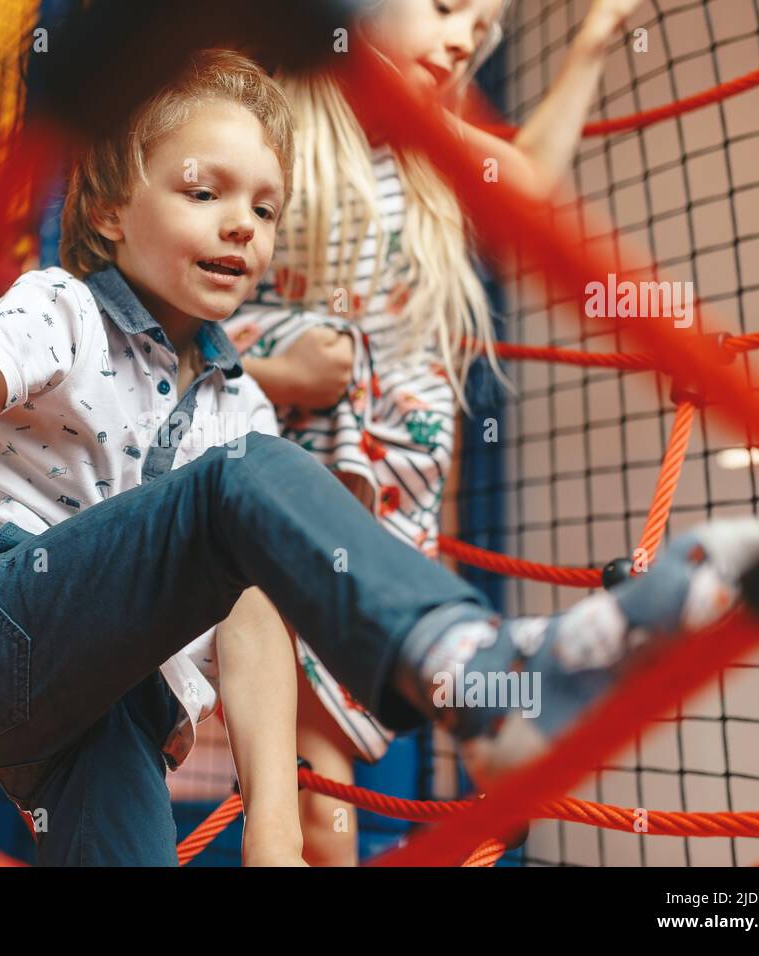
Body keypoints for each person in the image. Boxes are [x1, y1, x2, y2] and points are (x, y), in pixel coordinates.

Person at [0, 49, 759, 868]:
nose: (241, 223)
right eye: (204, 191)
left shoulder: (236, 404)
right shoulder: (55, 310)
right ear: (113, 204)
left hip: (98, 715)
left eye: (264, 207)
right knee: (240, 488)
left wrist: (278, 842)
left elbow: (248, 624)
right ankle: (481, 678)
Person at [225, 0, 646, 864]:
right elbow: (175, 311)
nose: (465, 38)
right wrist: (277, 363)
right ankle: (492, 692)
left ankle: (497, 694)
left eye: (482, 29)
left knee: (332, 763)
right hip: (292, 477)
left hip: (394, 491)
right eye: (447, 7)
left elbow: (527, 182)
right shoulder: (277, 126)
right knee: (309, 785)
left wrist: (595, 40)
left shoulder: (427, 152)